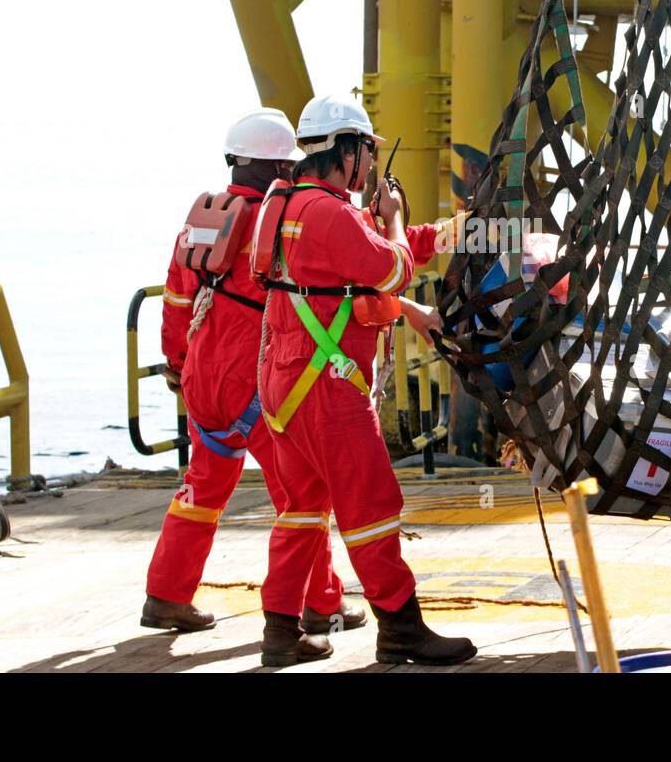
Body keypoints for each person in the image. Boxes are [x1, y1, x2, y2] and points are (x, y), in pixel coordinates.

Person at [256, 93, 477, 667]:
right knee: (373, 506)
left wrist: (462, 232)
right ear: (349, 152)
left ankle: (280, 632)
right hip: (328, 387)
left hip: (285, 381)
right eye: (367, 154)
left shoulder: (283, 207)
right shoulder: (329, 214)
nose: (371, 167)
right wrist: (397, 216)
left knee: (303, 510)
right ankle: (401, 628)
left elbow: (365, 261)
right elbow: (393, 265)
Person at [141, 108, 364, 642]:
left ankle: (167, 595)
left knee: (203, 485)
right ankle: (320, 605)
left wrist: (178, 365)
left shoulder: (202, 220)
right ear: (282, 166)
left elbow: (177, 301)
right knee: (302, 494)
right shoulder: (281, 220)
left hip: (203, 375)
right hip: (257, 378)